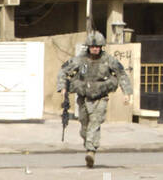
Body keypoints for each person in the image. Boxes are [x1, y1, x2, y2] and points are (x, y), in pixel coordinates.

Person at [56, 30, 133, 168]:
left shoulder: (109, 60)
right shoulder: (79, 59)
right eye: (92, 47)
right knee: (85, 125)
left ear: (101, 47)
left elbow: (121, 74)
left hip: (100, 97)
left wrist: (126, 93)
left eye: (97, 46)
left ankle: (91, 151)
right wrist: (63, 88)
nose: (95, 49)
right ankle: (89, 144)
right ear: (88, 47)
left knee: (95, 122)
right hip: (84, 97)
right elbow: (63, 71)